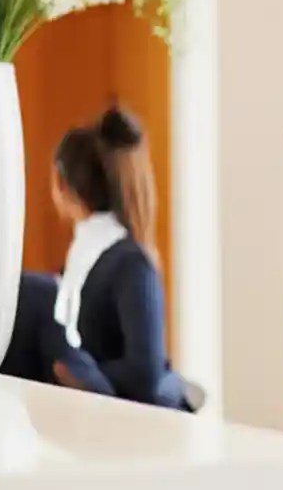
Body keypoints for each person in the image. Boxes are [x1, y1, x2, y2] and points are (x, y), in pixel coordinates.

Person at [47, 107, 186, 410]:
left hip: (133, 427)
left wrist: (75, 373)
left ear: (61, 184)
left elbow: (145, 373)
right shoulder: (83, 257)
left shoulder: (130, 265)